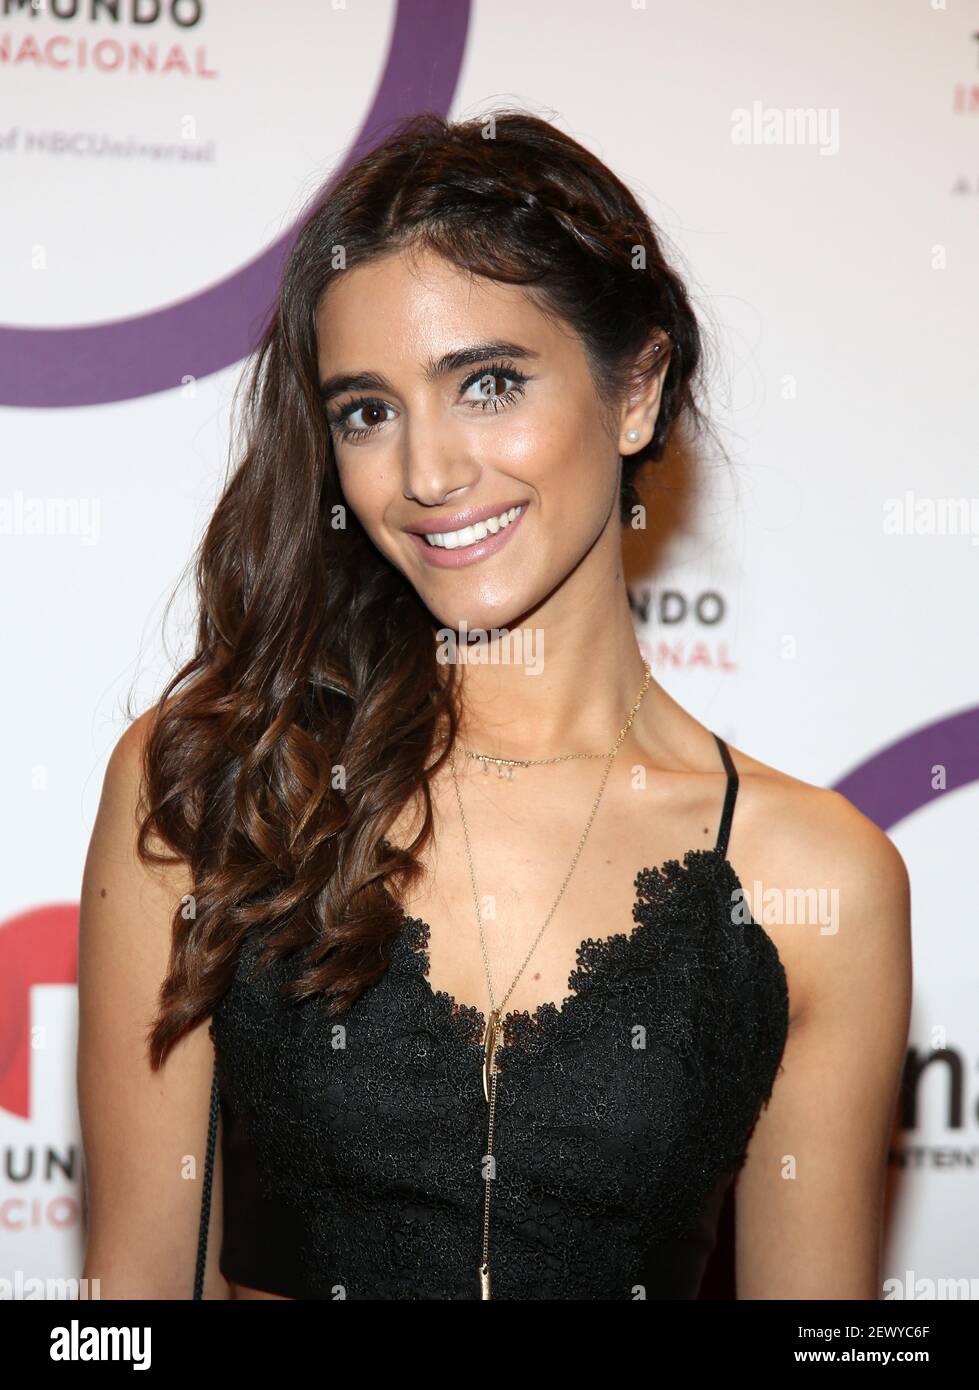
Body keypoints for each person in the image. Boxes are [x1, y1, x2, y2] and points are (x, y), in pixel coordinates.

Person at [77, 109, 911, 1300]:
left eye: (488, 383)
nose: (426, 473)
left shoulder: (816, 876)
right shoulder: (218, 785)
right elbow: (130, 1301)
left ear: (636, 391)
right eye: (367, 409)